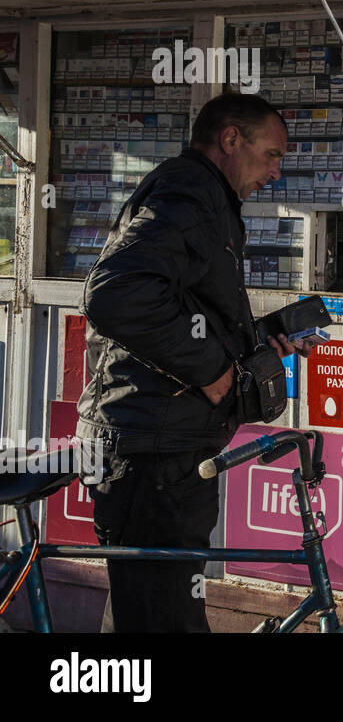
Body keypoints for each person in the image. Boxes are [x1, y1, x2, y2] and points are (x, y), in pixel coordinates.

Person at [75, 93, 320, 633]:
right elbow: (118, 295)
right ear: (230, 139)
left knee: (147, 618)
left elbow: (189, 315)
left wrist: (255, 344)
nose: (277, 173)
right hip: (149, 448)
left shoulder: (205, 197)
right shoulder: (189, 193)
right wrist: (215, 374)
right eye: (272, 155)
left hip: (161, 444)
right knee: (165, 622)